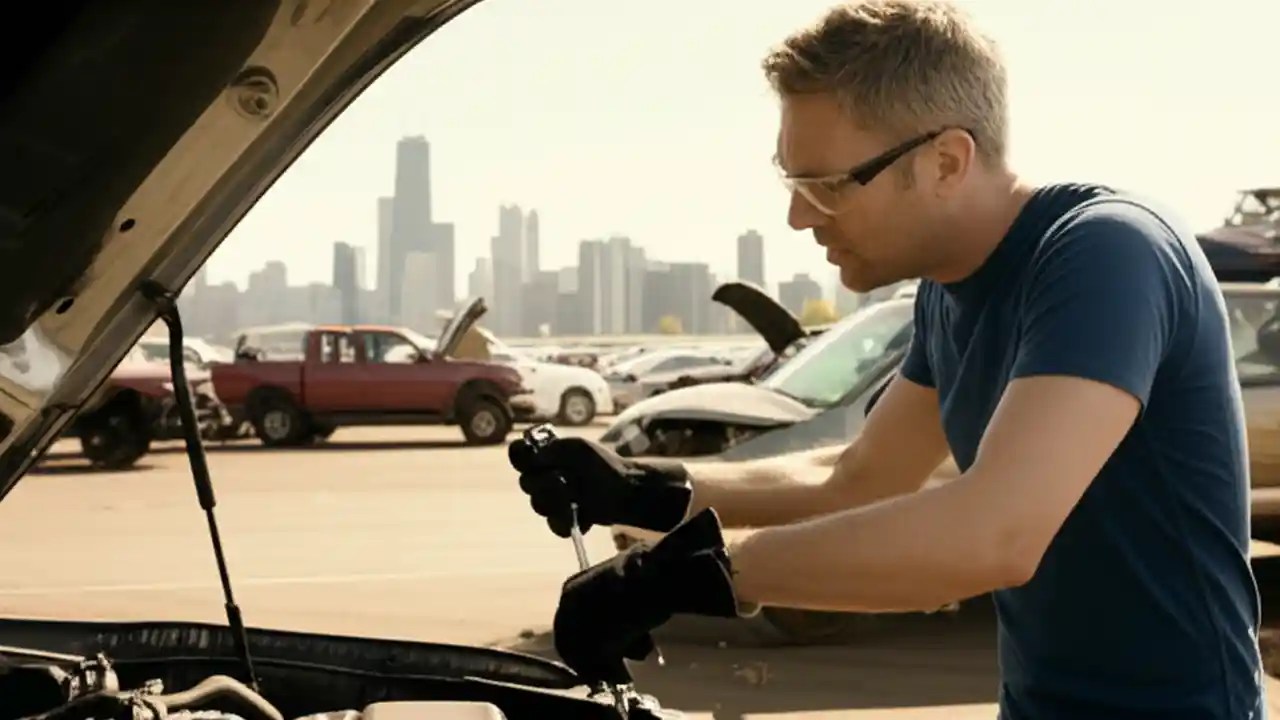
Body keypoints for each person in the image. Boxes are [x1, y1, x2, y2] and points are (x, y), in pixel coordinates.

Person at [509, 1, 1266, 717]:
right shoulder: (947, 292)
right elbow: (859, 479)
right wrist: (649, 491)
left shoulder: (1107, 251)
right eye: (792, 182)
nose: (798, 215)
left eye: (828, 186)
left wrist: (690, 574)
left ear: (945, 161)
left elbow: (994, 533)